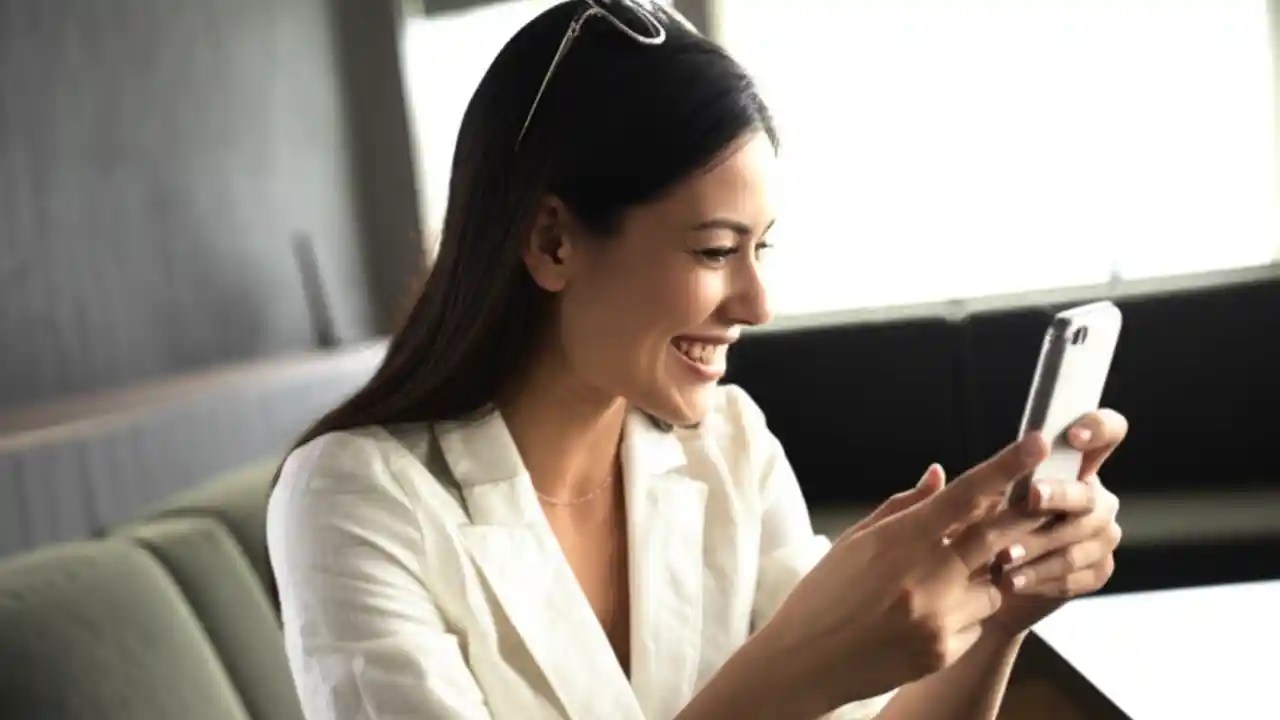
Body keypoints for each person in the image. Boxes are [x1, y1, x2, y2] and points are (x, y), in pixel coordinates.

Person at [266, 2, 1127, 718]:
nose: (756, 303)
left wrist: (1002, 612)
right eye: (715, 251)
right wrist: (795, 671)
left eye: (761, 249)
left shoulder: (729, 445)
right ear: (553, 241)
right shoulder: (352, 499)